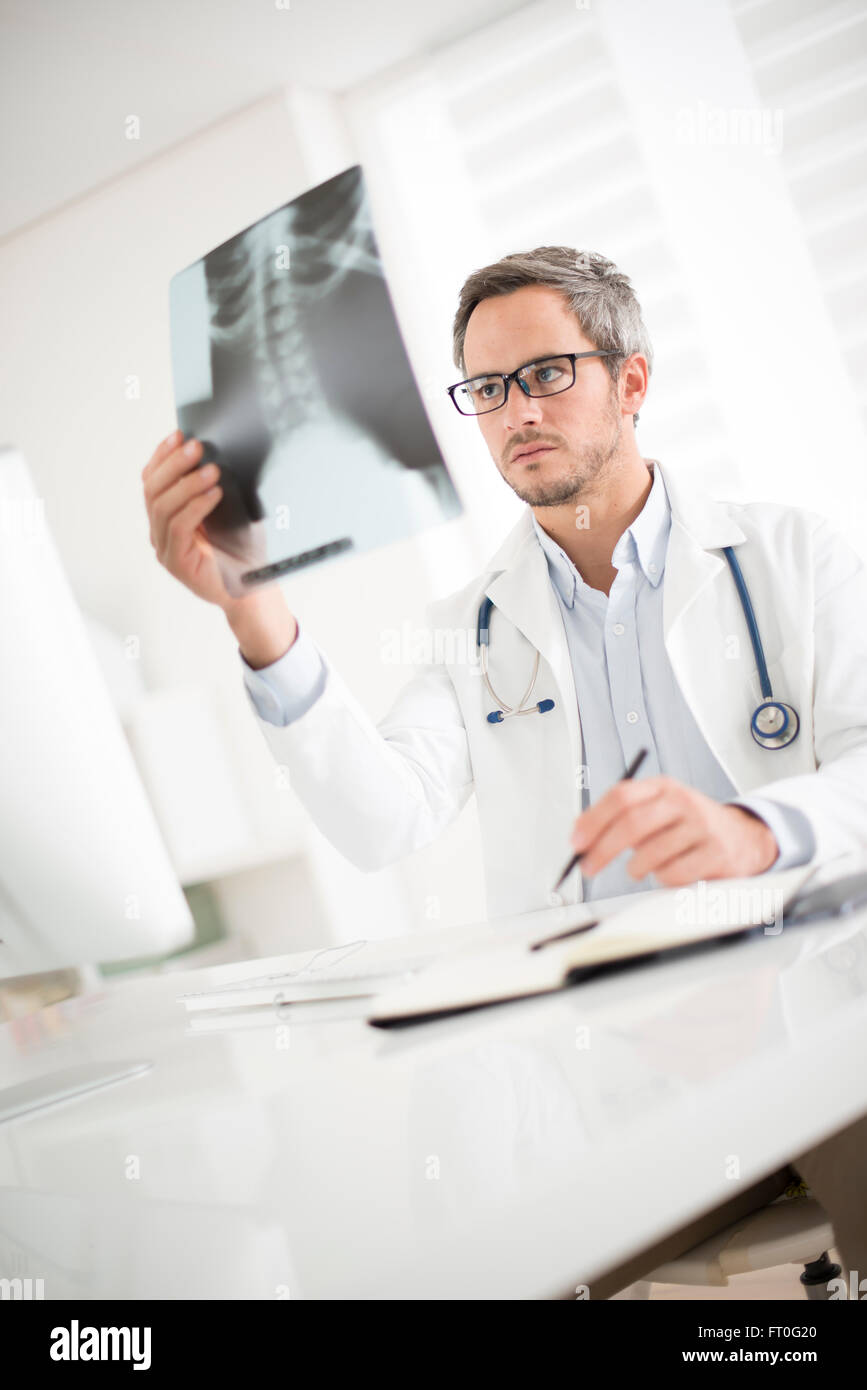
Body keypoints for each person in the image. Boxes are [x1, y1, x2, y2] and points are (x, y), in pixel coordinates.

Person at [142, 246, 867, 1295]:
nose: (515, 410)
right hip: (619, 1075)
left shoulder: (794, 558)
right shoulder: (473, 624)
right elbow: (382, 817)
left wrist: (758, 834)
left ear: (633, 381)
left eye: (546, 374)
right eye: (487, 388)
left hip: (826, 1031)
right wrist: (254, 607)